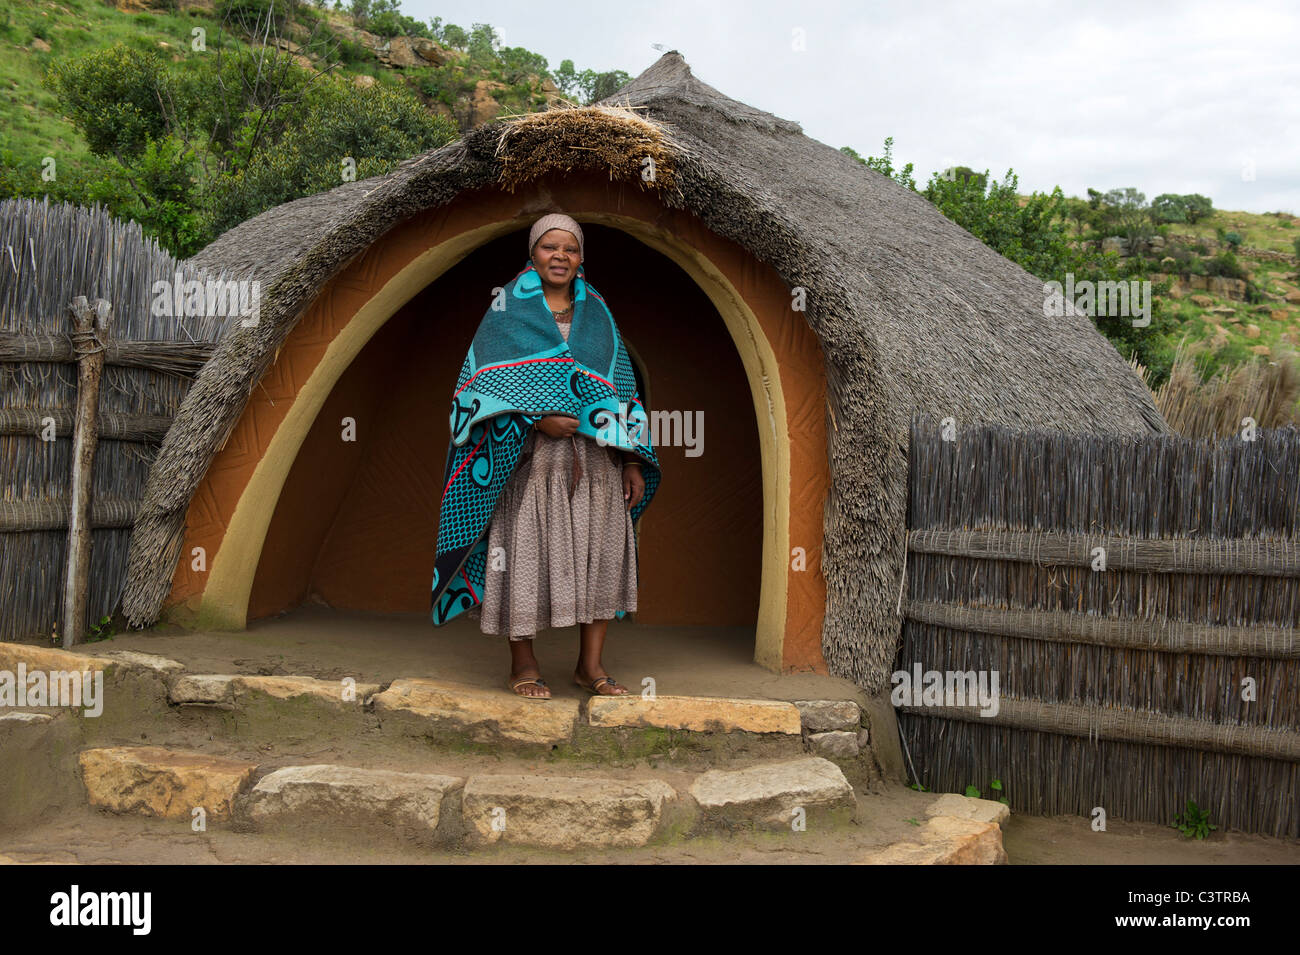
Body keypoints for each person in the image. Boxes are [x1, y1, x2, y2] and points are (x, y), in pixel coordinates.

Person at [430, 214, 662, 702]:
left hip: (598, 463)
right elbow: (475, 391)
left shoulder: (598, 314)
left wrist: (634, 461)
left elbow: (624, 389)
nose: (560, 257)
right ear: (533, 254)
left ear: (581, 260)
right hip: (530, 464)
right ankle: (524, 664)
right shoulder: (506, 311)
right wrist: (536, 420)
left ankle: (590, 666)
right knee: (523, 559)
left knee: (602, 557)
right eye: (550, 247)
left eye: (570, 249)